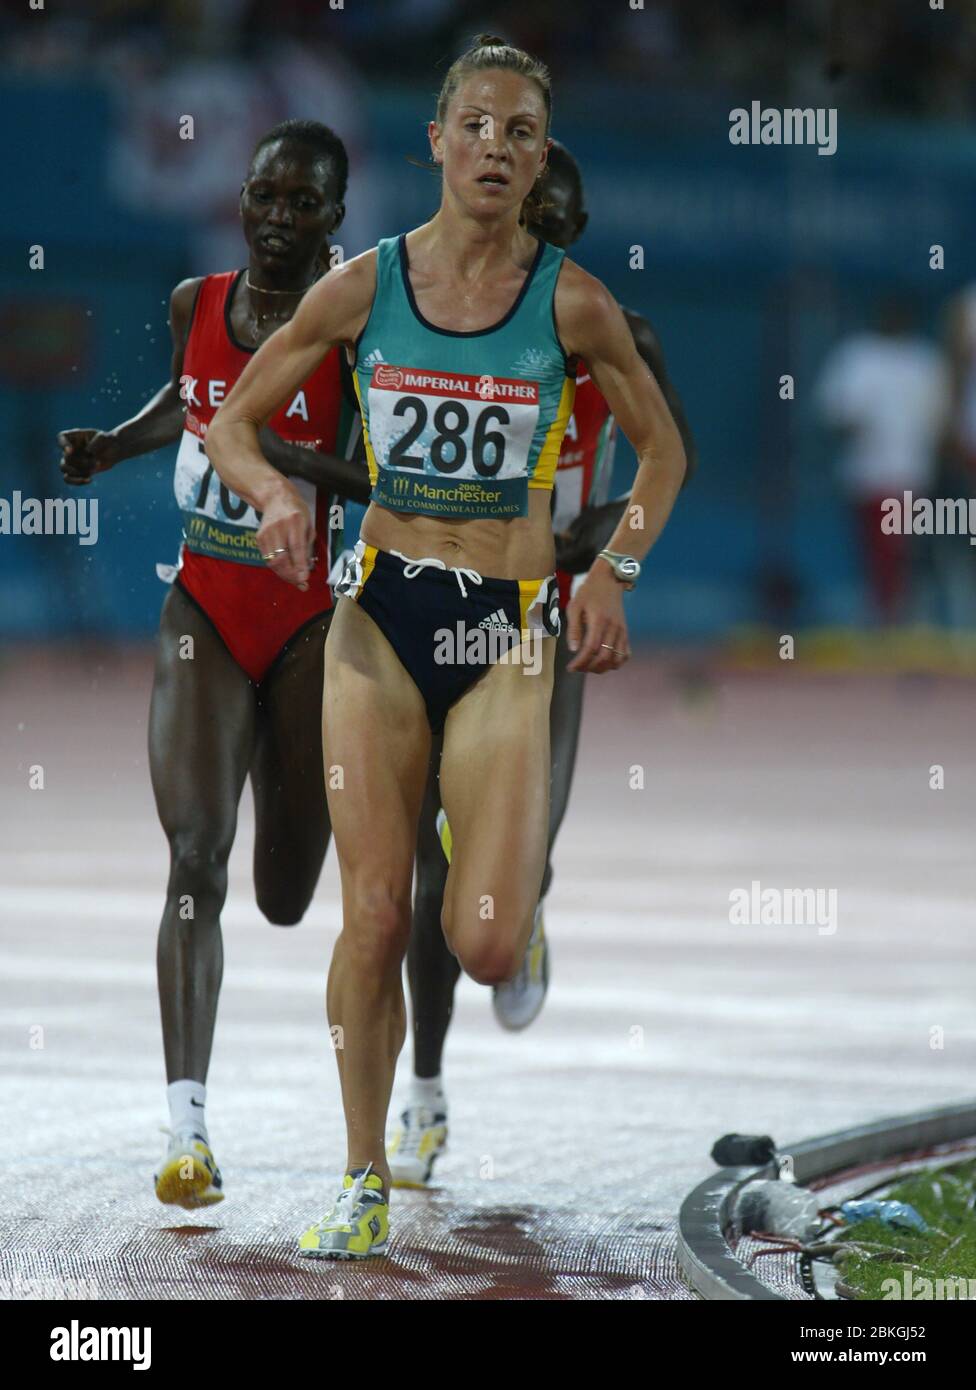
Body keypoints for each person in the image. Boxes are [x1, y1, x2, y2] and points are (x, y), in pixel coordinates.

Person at [205, 35, 687, 1259]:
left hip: (504, 632)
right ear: (435, 141)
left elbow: (663, 454)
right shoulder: (362, 286)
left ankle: (511, 888)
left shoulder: (571, 302)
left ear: (540, 156)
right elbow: (235, 425)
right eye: (475, 125)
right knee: (372, 913)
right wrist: (270, 496)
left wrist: (614, 572)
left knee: (479, 941)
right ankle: (360, 1174)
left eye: (520, 132)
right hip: (379, 619)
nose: (495, 149)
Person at [57, 121, 368, 1210]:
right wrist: (117, 441)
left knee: (283, 897)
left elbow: (378, 477)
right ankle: (186, 1127)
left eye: (303, 202)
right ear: (241, 199)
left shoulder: (353, 325)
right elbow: (190, 401)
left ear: (335, 217)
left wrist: (280, 457)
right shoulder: (197, 300)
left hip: (310, 626)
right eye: (264, 196)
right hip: (203, 606)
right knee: (195, 857)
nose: (278, 217)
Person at [389, 140, 697, 1186]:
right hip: (432, 604)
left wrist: (604, 554)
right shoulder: (438, 312)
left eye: (553, 221)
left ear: (574, 228)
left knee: (518, 866)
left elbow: (668, 464)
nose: (533, 235)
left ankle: (525, 908)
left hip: (544, 620)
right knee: (431, 870)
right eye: (525, 216)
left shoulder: (610, 328)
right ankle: (423, 1093)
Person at [815, 295, 948, 626]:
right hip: (868, 473)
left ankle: (901, 615)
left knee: (903, 552)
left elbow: (941, 420)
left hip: (911, 474)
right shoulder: (858, 356)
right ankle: (883, 615)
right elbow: (835, 411)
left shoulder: (924, 361)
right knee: (876, 551)